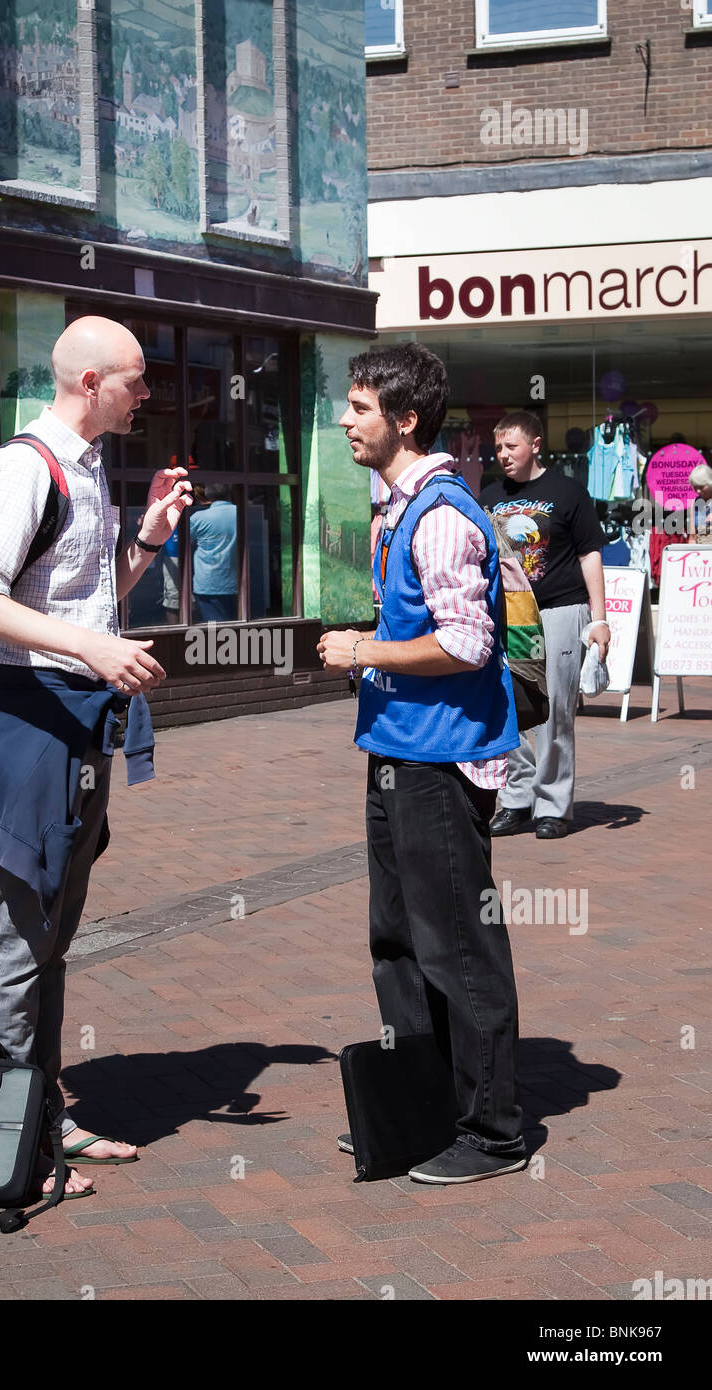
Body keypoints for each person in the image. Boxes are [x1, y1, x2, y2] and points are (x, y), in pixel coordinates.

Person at [0, 316, 192, 1198]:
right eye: (135, 380)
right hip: (28, 723)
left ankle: (41, 1118)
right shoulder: (26, 466)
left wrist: (152, 538)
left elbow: (86, 598)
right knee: (18, 936)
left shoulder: (90, 469)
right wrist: (90, 653)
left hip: (80, 722)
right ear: (91, 381)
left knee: (51, 935)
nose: (147, 395)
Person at [318, 343, 527, 1185]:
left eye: (360, 407)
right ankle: (421, 1103)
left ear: (405, 419)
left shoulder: (438, 514)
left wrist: (366, 648)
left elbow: (468, 643)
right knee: (398, 941)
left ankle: (493, 1132)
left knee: (458, 948)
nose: (345, 420)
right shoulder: (401, 508)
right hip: (402, 752)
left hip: (442, 762)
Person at [480, 413, 608, 839]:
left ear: (535, 444)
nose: (503, 456)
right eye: (498, 448)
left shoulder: (568, 492)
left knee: (554, 714)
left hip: (561, 611)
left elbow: (590, 555)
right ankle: (516, 798)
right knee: (507, 708)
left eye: (511, 447)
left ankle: (553, 804)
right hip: (509, 615)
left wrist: (600, 618)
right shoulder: (490, 494)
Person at [190, 483, 238, 621]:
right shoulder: (241, 513)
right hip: (236, 581)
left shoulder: (198, 518)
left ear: (208, 496)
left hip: (207, 582)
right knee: (236, 625)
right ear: (229, 495)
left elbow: (182, 542)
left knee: (213, 628)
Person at [687, 463, 712, 541]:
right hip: (701, 549)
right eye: (695, 487)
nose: (698, 491)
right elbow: (692, 536)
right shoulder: (695, 502)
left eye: (701, 487)